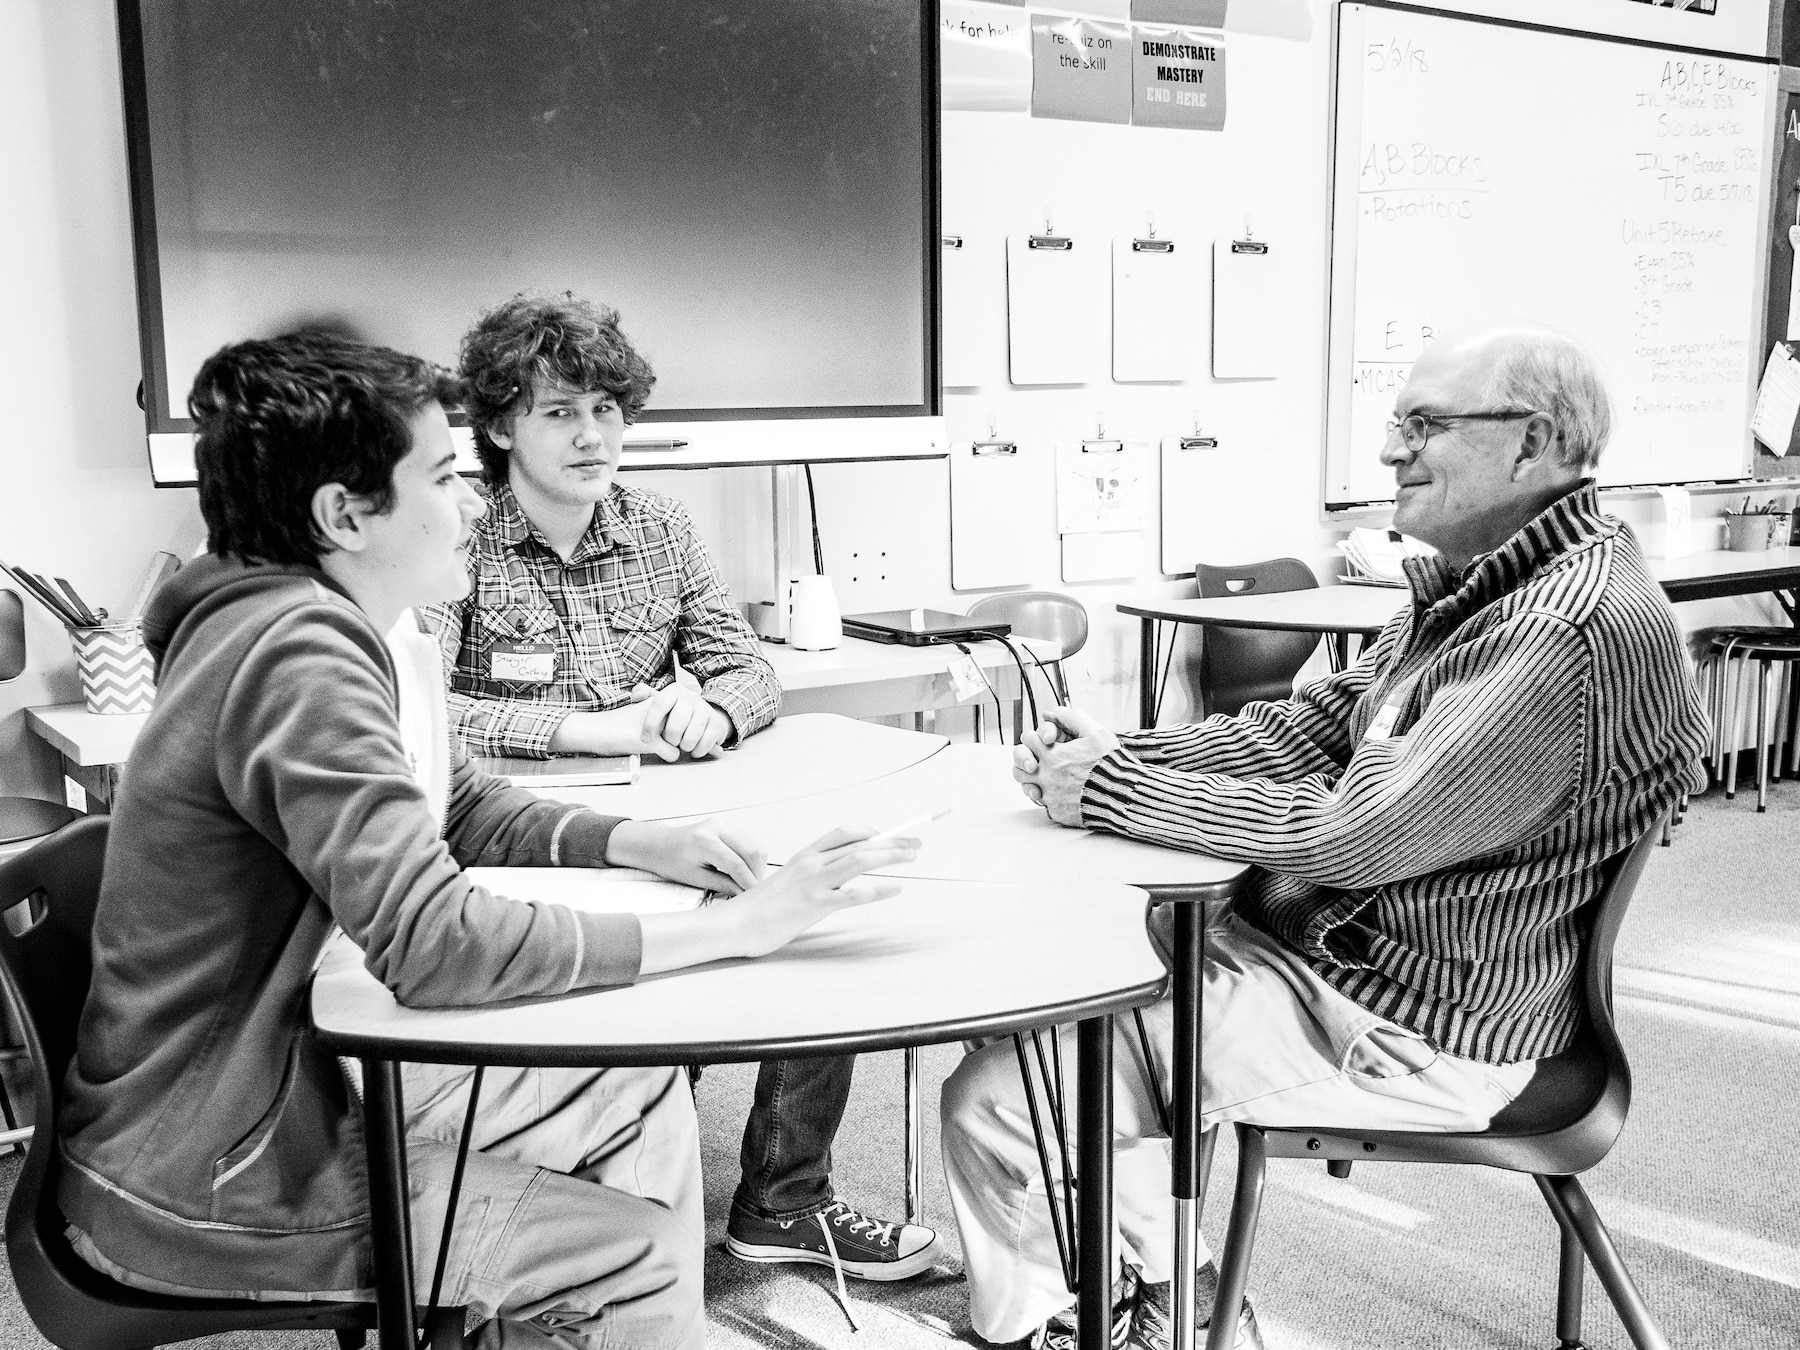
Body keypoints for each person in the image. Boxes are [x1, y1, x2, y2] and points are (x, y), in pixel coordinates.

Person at [56, 331, 918, 1350]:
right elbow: (434, 946)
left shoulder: (350, 624)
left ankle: (626, 1326)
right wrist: (738, 930)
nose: (470, 501)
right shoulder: (298, 655)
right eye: (441, 475)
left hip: (270, 1085)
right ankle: (626, 1305)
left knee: (635, 1082)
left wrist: (642, 846)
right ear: (344, 514)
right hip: (215, 1169)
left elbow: (459, 808)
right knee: (629, 1248)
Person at [941, 327, 1709, 1350]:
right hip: (1339, 960)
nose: (1392, 451)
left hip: (1421, 1025)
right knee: (1045, 995)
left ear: (1532, 446)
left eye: (1424, 425)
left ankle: (1101, 1318)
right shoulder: (1478, 588)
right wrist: (1126, 756)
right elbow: (1311, 728)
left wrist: (1113, 791)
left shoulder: (1561, 631)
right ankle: (1173, 1294)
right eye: (1399, 423)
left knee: (1005, 1099)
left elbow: (1362, 834)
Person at [418, 292, 940, 1282]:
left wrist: (717, 712)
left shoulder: (659, 523)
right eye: (561, 412)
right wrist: (587, 731)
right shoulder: (460, 536)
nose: (592, 435)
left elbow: (748, 669)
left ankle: (785, 1200)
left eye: (608, 410)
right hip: (527, 840)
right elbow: (425, 710)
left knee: (810, 905)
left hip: (673, 819)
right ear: (500, 426)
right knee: (632, 1002)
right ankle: (592, 1202)